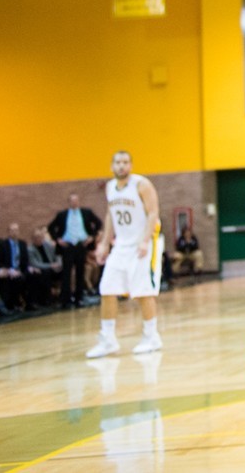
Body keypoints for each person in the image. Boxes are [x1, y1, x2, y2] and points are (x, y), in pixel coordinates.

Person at [86, 151, 164, 358]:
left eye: (126, 162)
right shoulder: (110, 187)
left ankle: (151, 337)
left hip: (143, 244)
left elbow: (153, 213)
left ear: (130, 165)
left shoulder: (141, 185)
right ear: (112, 166)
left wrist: (145, 240)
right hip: (121, 246)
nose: (122, 166)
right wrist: (104, 244)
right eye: (118, 163)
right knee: (107, 288)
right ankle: (108, 340)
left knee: (143, 291)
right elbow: (110, 215)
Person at [48, 192, 102, 309]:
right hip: (67, 245)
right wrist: (58, 239)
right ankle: (66, 300)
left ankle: (79, 298)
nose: (74, 202)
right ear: (69, 202)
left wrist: (91, 236)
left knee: (80, 272)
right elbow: (51, 227)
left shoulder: (86, 212)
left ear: (79, 201)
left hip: (81, 245)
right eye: (72, 200)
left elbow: (98, 223)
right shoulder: (62, 214)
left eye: (76, 200)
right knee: (66, 273)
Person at [0, 222, 33, 311]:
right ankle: (13, 304)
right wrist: (9, 270)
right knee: (14, 279)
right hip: (9, 270)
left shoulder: (22, 243)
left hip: (20, 269)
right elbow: (0, 261)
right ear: (8, 232)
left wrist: (29, 267)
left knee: (32, 276)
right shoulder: (3, 244)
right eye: (12, 230)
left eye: (16, 230)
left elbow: (25, 260)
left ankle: (30, 303)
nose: (14, 232)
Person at [27, 227, 62, 307]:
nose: (39, 239)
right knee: (46, 273)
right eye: (36, 237)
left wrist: (58, 263)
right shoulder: (30, 249)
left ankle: (65, 296)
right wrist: (50, 265)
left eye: (40, 237)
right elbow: (35, 263)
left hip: (53, 267)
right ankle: (48, 299)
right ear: (33, 239)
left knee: (66, 270)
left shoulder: (48, 245)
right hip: (42, 269)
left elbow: (57, 255)